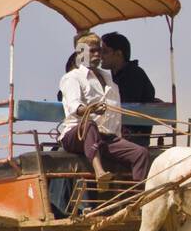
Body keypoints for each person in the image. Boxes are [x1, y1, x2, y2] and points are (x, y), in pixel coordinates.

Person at [58, 34, 149, 182]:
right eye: (92, 51)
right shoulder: (72, 78)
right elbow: (74, 106)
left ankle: (139, 197)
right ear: (80, 53)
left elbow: (115, 116)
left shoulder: (110, 79)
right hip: (77, 135)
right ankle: (99, 172)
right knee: (90, 125)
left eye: (99, 51)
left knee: (140, 153)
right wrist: (91, 109)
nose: (97, 55)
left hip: (106, 138)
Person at [100, 31, 157, 148]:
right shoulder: (111, 78)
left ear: (118, 54)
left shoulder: (134, 74)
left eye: (105, 51)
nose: (100, 56)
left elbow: (125, 107)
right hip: (115, 133)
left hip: (132, 138)